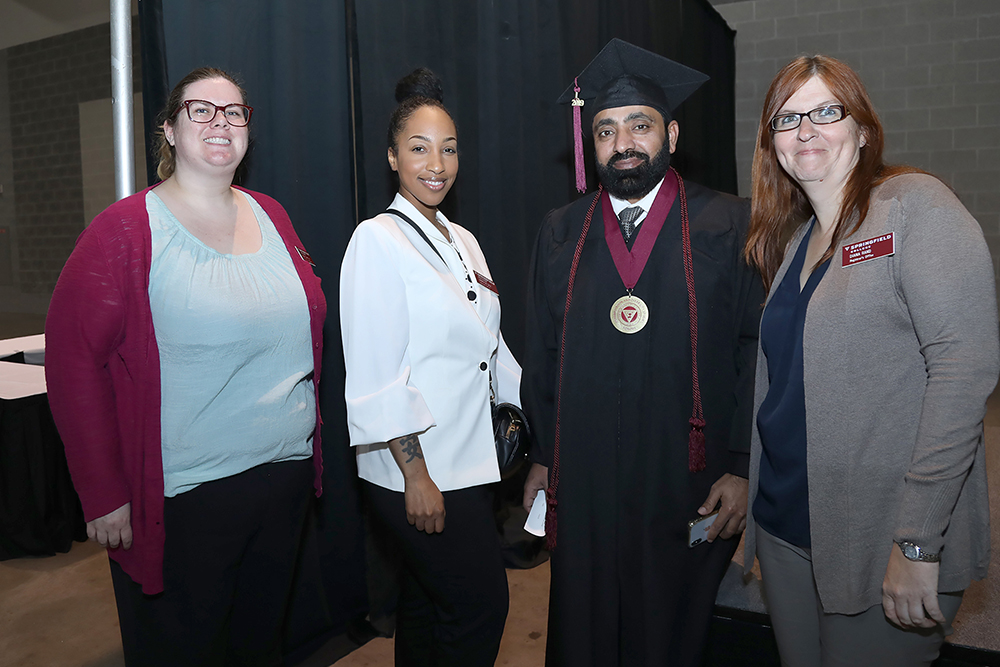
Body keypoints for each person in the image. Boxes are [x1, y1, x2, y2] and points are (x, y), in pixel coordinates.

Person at [45, 67, 326, 666]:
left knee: (259, 650)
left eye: (235, 112)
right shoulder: (124, 231)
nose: (220, 122)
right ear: (169, 130)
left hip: (282, 484)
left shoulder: (273, 215)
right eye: (202, 110)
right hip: (184, 501)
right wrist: (102, 494)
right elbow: (73, 365)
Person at [743, 54, 998, 667]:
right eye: (787, 117)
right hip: (786, 526)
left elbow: (964, 371)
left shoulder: (914, 206)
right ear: (771, 142)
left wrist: (917, 542)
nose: (805, 130)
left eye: (826, 111)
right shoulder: (795, 241)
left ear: (862, 128)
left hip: (881, 531)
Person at [520, 39, 764, 666]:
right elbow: (542, 354)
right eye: (605, 129)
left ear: (671, 134)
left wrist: (740, 464)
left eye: (639, 125)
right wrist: (544, 458)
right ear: (591, 143)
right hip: (586, 478)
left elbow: (753, 350)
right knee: (586, 624)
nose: (622, 141)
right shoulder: (560, 232)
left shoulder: (729, 224)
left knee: (673, 628)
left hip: (685, 475)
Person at [340, 68, 519, 666]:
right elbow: (375, 372)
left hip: (472, 461)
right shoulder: (377, 240)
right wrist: (416, 476)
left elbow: (488, 347)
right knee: (480, 607)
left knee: (425, 608)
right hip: (419, 469)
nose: (435, 163)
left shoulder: (463, 239)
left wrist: (536, 425)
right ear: (392, 157)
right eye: (418, 149)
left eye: (448, 148)